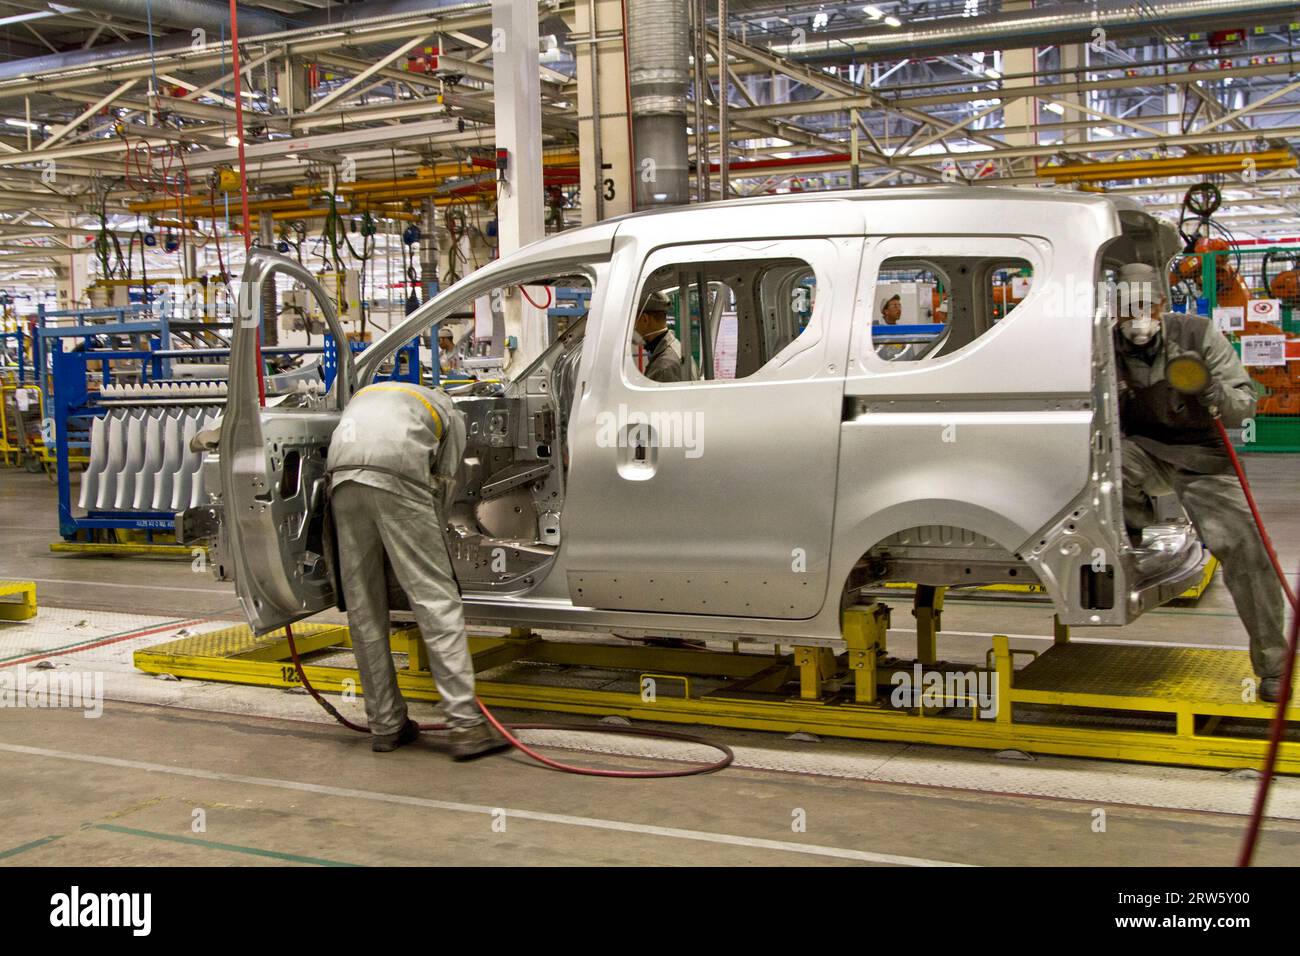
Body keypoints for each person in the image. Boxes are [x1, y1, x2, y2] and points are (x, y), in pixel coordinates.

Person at [1113, 262, 1287, 702]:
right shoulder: (1101, 345)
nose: (1137, 319)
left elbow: (1243, 407)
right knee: (1103, 470)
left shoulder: (1197, 333)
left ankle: (1273, 665)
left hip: (1203, 457)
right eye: (1127, 310)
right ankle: (1136, 533)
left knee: (1247, 549)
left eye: (1145, 307)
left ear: (1161, 305)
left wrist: (1211, 391)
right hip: (1143, 451)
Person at [327, 382, 511, 757]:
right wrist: (432, 543)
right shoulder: (448, 411)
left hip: (342, 478)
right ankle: (465, 727)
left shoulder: (370, 396)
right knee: (435, 600)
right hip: (397, 474)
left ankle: (385, 724)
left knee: (364, 607)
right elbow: (444, 484)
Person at [633, 291, 686, 383]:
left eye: (633, 321)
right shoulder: (675, 347)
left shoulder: (663, 368)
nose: (632, 327)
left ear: (645, 319)